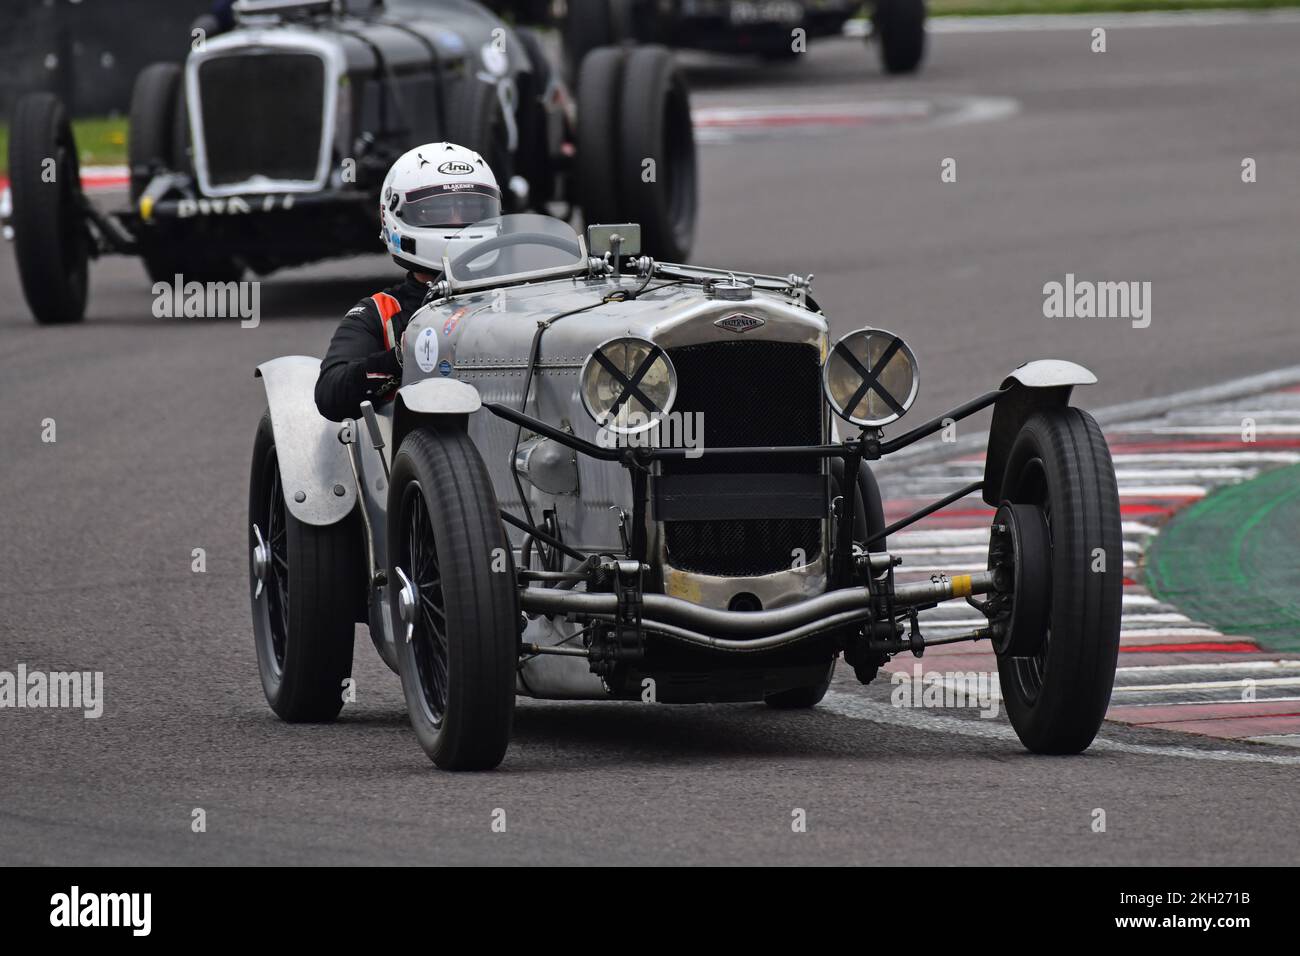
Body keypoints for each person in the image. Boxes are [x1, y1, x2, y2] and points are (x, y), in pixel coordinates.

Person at [314, 143, 503, 421]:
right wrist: (401, 357)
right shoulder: (379, 312)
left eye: (472, 210)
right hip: (427, 449)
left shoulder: (522, 294)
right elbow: (330, 395)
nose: (459, 222)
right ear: (391, 215)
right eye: (438, 211)